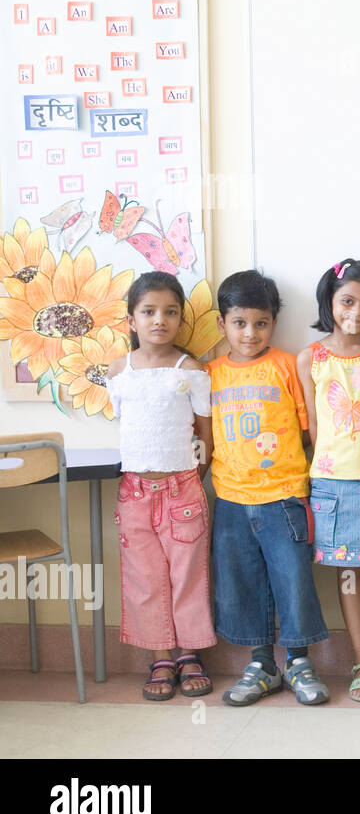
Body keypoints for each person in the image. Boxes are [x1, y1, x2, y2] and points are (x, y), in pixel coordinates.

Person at [208, 270, 330, 706]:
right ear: (222, 324)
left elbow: (306, 428)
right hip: (231, 498)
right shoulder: (211, 375)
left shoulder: (286, 365)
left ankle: (299, 661)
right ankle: (261, 664)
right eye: (239, 322)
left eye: (261, 323)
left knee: (292, 578)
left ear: (273, 323)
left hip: (284, 496)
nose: (249, 332)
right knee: (242, 582)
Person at [105, 271, 215, 700]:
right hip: (134, 492)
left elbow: (205, 434)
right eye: (148, 312)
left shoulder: (190, 371)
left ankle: (190, 655)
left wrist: (192, 479)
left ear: (181, 319)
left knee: (187, 575)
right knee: (146, 578)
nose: (159, 320)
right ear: (130, 320)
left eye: (170, 312)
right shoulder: (120, 371)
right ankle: (160, 657)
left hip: (183, 489)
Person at [297, 258, 360, 703]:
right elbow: (314, 426)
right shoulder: (311, 357)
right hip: (331, 483)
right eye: (347, 302)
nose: (356, 314)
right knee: (347, 573)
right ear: (330, 300)